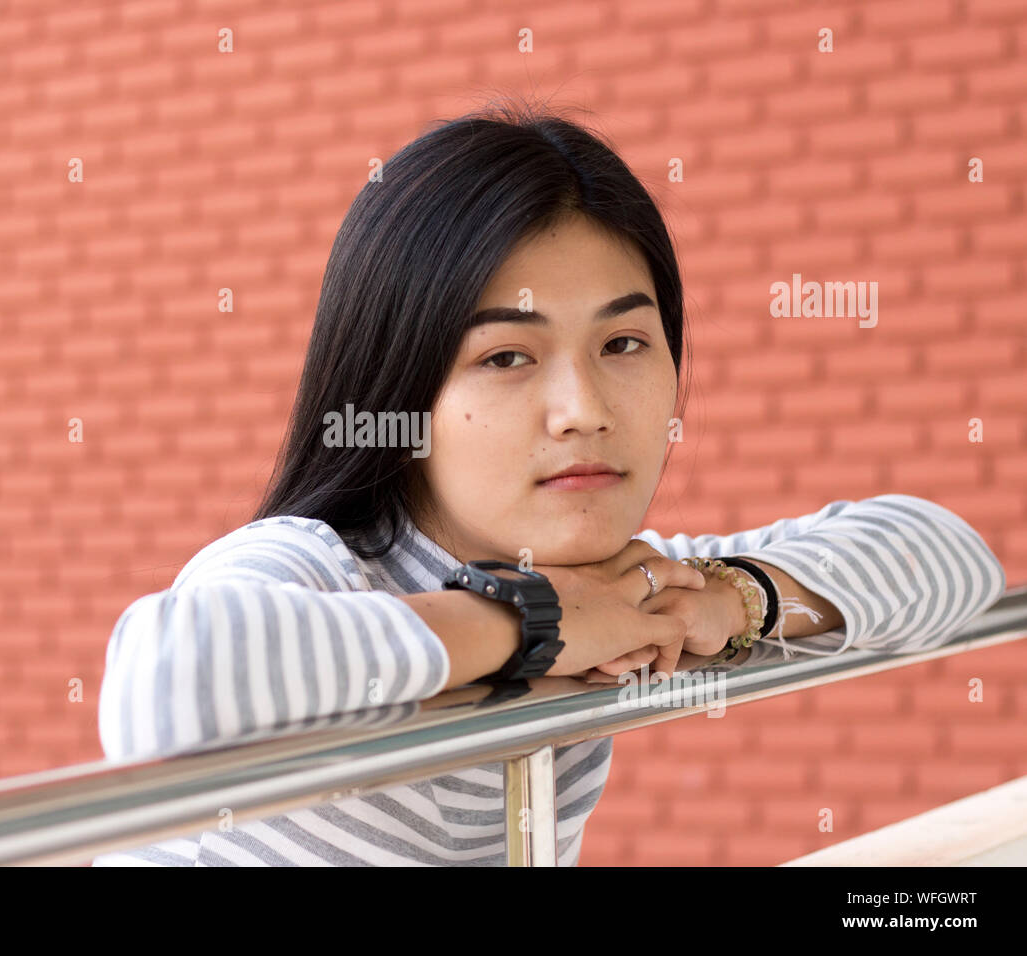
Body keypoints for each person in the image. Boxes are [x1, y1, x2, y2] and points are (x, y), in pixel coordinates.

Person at [93, 101, 1007, 866]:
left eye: (622, 344)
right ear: (397, 384)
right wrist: (529, 623)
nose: (582, 408)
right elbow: (164, 686)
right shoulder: (317, 569)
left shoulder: (621, 586)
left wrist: (730, 602)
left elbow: (949, 557)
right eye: (505, 356)